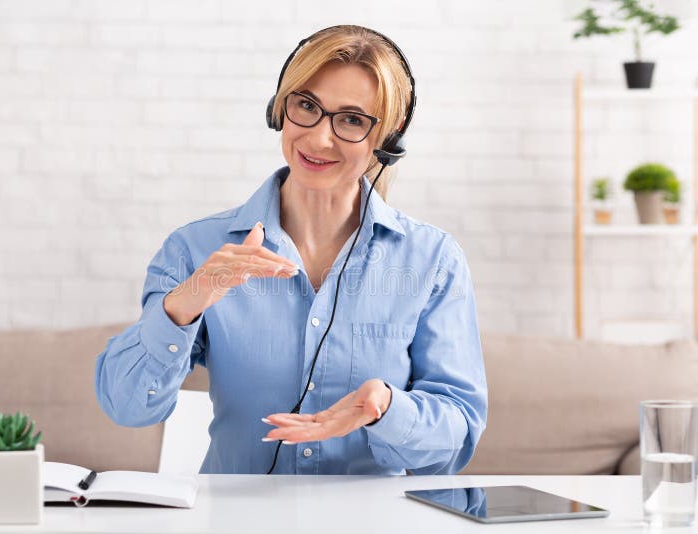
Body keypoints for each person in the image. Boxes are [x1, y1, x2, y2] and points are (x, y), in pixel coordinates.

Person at [95, 25, 487, 475]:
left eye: (352, 120)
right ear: (279, 109)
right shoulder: (196, 249)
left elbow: (455, 441)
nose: (319, 138)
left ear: (388, 137)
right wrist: (184, 304)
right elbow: (126, 407)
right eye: (307, 106)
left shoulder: (431, 260)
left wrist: (388, 408)